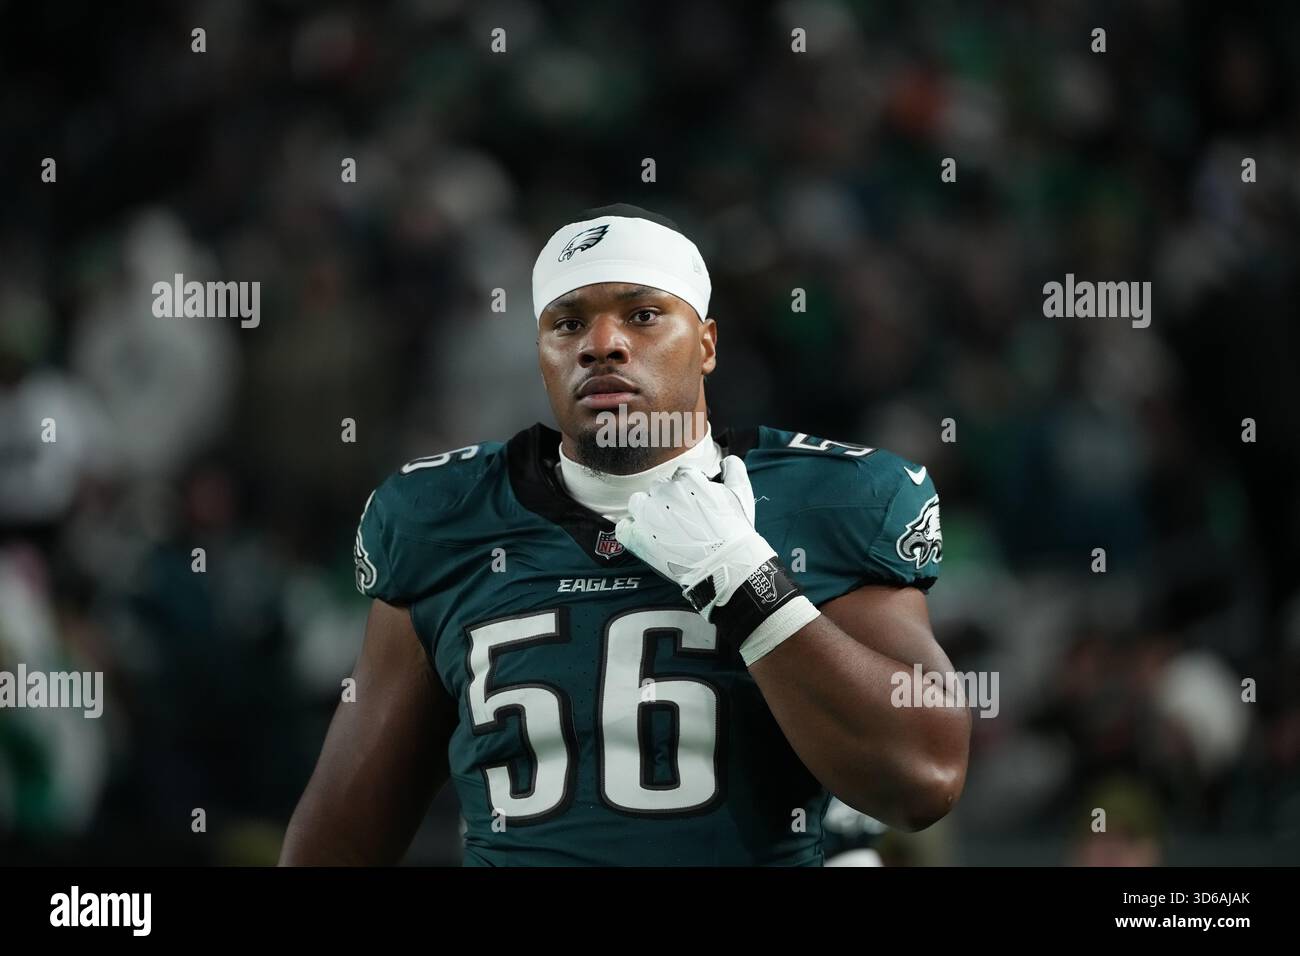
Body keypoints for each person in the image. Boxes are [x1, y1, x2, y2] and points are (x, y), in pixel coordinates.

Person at [280, 203, 970, 865]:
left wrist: (744, 581)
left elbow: (924, 778)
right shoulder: (443, 520)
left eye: (642, 315)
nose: (600, 345)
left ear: (705, 344)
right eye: (568, 323)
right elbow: (339, 842)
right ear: (542, 351)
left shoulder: (829, 502)